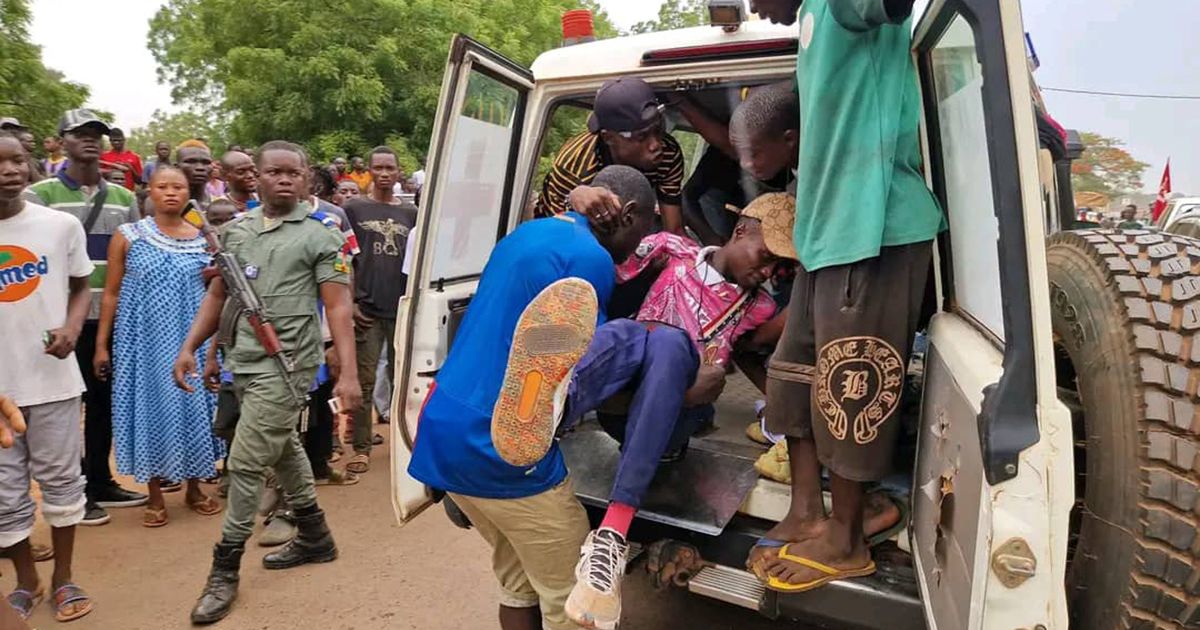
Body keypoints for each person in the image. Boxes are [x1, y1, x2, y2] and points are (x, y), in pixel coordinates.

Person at [747, 0, 943, 593]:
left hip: (873, 228)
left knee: (852, 381)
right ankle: (809, 510)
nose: (755, 7)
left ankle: (849, 536)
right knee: (793, 372)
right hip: (824, 235)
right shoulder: (808, 21)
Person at [408, 165, 655, 630]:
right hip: (500, 443)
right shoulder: (592, 259)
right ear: (629, 214)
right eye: (641, 234)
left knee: (516, 580)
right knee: (575, 599)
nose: (637, 249)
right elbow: (575, 361)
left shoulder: (528, 234)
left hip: (444, 429)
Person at [542, 192, 797, 628]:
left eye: (781, 268)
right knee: (628, 331)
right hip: (624, 401)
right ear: (740, 231)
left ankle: (613, 532)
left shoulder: (760, 307)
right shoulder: (670, 248)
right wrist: (577, 200)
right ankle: (545, 412)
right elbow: (601, 267)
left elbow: (777, 342)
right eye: (767, 255)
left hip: (681, 416)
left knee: (668, 341)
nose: (769, 271)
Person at [172, 140, 361, 625]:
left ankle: (224, 568)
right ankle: (316, 536)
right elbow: (220, 294)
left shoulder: (322, 235)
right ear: (255, 176)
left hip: (290, 363)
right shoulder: (235, 232)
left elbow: (338, 307)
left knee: (246, 460)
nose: (283, 180)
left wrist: (350, 374)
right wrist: (196, 347)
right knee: (280, 447)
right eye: (273, 172)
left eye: (292, 173)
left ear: (305, 180)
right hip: (244, 358)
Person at [24, 109, 147, 527]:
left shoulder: (125, 198)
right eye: (80, 134)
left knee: (102, 403)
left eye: (96, 133)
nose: (90, 140)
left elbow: (134, 255)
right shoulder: (39, 195)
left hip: (107, 319)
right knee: (63, 405)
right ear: (61, 141)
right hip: (59, 320)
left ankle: (99, 480)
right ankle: (73, 488)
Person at [94, 166, 225, 529]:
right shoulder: (128, 235)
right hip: (143, 341)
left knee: (195, 407)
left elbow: (217, 295)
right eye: (162, 186)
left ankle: (195, 488)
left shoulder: (204, 239)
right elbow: (112, 293)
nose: (171, 193)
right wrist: (102, 345)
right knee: (149, 408)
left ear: (189, 192)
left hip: (192, 340)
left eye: (178, 187)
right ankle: (154, 492)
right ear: (148, 191)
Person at [0, 131, 96, 623]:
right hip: (0, 394)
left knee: (61, 483)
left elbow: (81, 287)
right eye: (0, 162)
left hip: (53, 381)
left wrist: (73, 327)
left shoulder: (58, 227)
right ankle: (25, 579)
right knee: (4, 492)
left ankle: (63, 577)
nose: (9, 170)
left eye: (17, 160)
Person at [342, 146, 417, 475]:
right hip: (367, 308)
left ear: (399, 172)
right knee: (365, 379)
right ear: (369, 171)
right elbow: (345, 259)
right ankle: (361, 446)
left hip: (400, 307)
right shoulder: (354, 209)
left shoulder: (411, 213)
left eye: (390, 168)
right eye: (378, 168)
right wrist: (352, 300)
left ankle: (405, 444)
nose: (384, 173)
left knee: (402, 379)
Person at [534, 77, 686, 235]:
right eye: (641, 137)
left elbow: (673, 230)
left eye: (657, 130)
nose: (656, 145)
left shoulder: (668, 153)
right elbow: (559, 233)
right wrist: (574, 199)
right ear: (609, 138)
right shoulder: (573, 165)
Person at [0, 119, 45, 184]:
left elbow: (39, 183)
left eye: (16, 129)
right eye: (6, 128)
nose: (11, 131)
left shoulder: (32, 160)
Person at [177, 140, 215, 208]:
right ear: (176, 167)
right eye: (191, 162)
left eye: (206, 162)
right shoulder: (159, 205)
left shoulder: (219, 205)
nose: (200, 168)